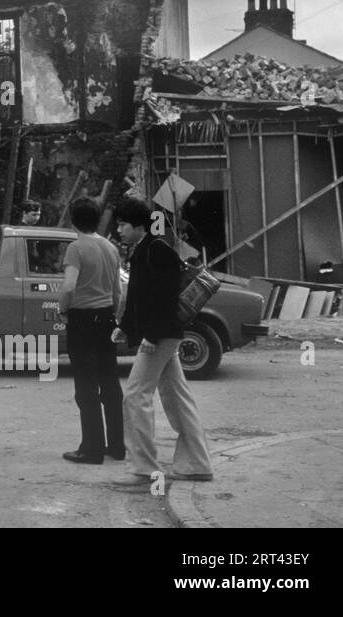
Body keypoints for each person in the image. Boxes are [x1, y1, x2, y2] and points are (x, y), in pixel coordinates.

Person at [112, 198, 214, 482]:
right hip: (163, 333)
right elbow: (139, 297)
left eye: (122, 224)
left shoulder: (156, 251)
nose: (119, 229)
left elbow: (164, 298)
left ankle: (145, 466)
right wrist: (126, 327)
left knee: (135, 395)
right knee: (177, 398)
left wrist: (151, 336)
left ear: (138, 226)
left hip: (161, 335)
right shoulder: (146, 249)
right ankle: (196, 464)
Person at [58, 198, 124, 464]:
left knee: (85, 385)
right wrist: (114, 315)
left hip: (83, 319)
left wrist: (63, 310)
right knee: (110, 383)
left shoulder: (75, 248)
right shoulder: (110, 247)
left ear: (73, 220)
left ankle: (92, 449)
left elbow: (69, 286)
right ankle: (117, 446)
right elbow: (118, 290)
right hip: (107, 316)